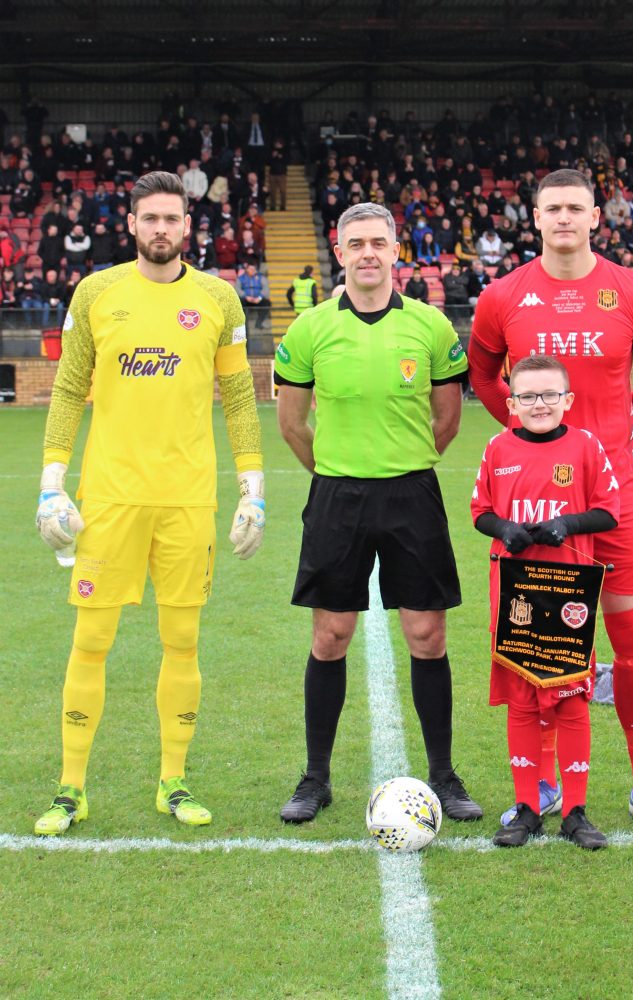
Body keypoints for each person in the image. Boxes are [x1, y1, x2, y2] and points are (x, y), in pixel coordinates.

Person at [33, 170, 264, 836]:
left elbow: (241, 399)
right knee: (91, 640)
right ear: (131, 224)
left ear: (189, 226)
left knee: (182, 640)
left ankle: (173, 780)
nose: (162, 229)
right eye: (150, 218)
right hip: (109, 501)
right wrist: (52, 483)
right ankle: (70, 788)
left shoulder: (219, 299)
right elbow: (70, 390)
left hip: (188, 501)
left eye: (173, 219)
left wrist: (254, 489)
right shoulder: (97, 291)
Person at [468, 168, 633, 834]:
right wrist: (531, 440)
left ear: (596, 216)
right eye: (552, 208)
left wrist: (615, 428)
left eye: (576, 208)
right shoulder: (504, 296)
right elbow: (483, 377)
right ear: (534, 218)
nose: (564, 217)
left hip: (614, 498)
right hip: (538, 509)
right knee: (541, 651)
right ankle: (544, 790)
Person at [273, 202, 481, 824]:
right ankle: (315, 778)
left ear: (397, 252)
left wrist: (404, 462)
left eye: (378, 243)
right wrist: (338, 470)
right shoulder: (309, 329)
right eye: (356, 243)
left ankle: (443, 775)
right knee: (330, 636)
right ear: (339, 253)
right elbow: (291, 423)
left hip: (411, 494)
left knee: (427, 634)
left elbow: (447, 418)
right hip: (338, 496)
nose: (368, 253)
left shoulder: (431, 327)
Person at [472, 356, 619, 850]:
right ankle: (527, 808)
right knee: (522, 701)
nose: (540, 404)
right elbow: (480, 512)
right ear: (511, 403)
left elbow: (608, 512)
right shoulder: (497, 448)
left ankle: (575, 810)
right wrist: (505, 529)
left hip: (569, 595)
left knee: (573, 700)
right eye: (528, 396)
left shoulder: (585, 446)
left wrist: (568, 525)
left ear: (567, 400)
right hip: (517, 593)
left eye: (549, 395)